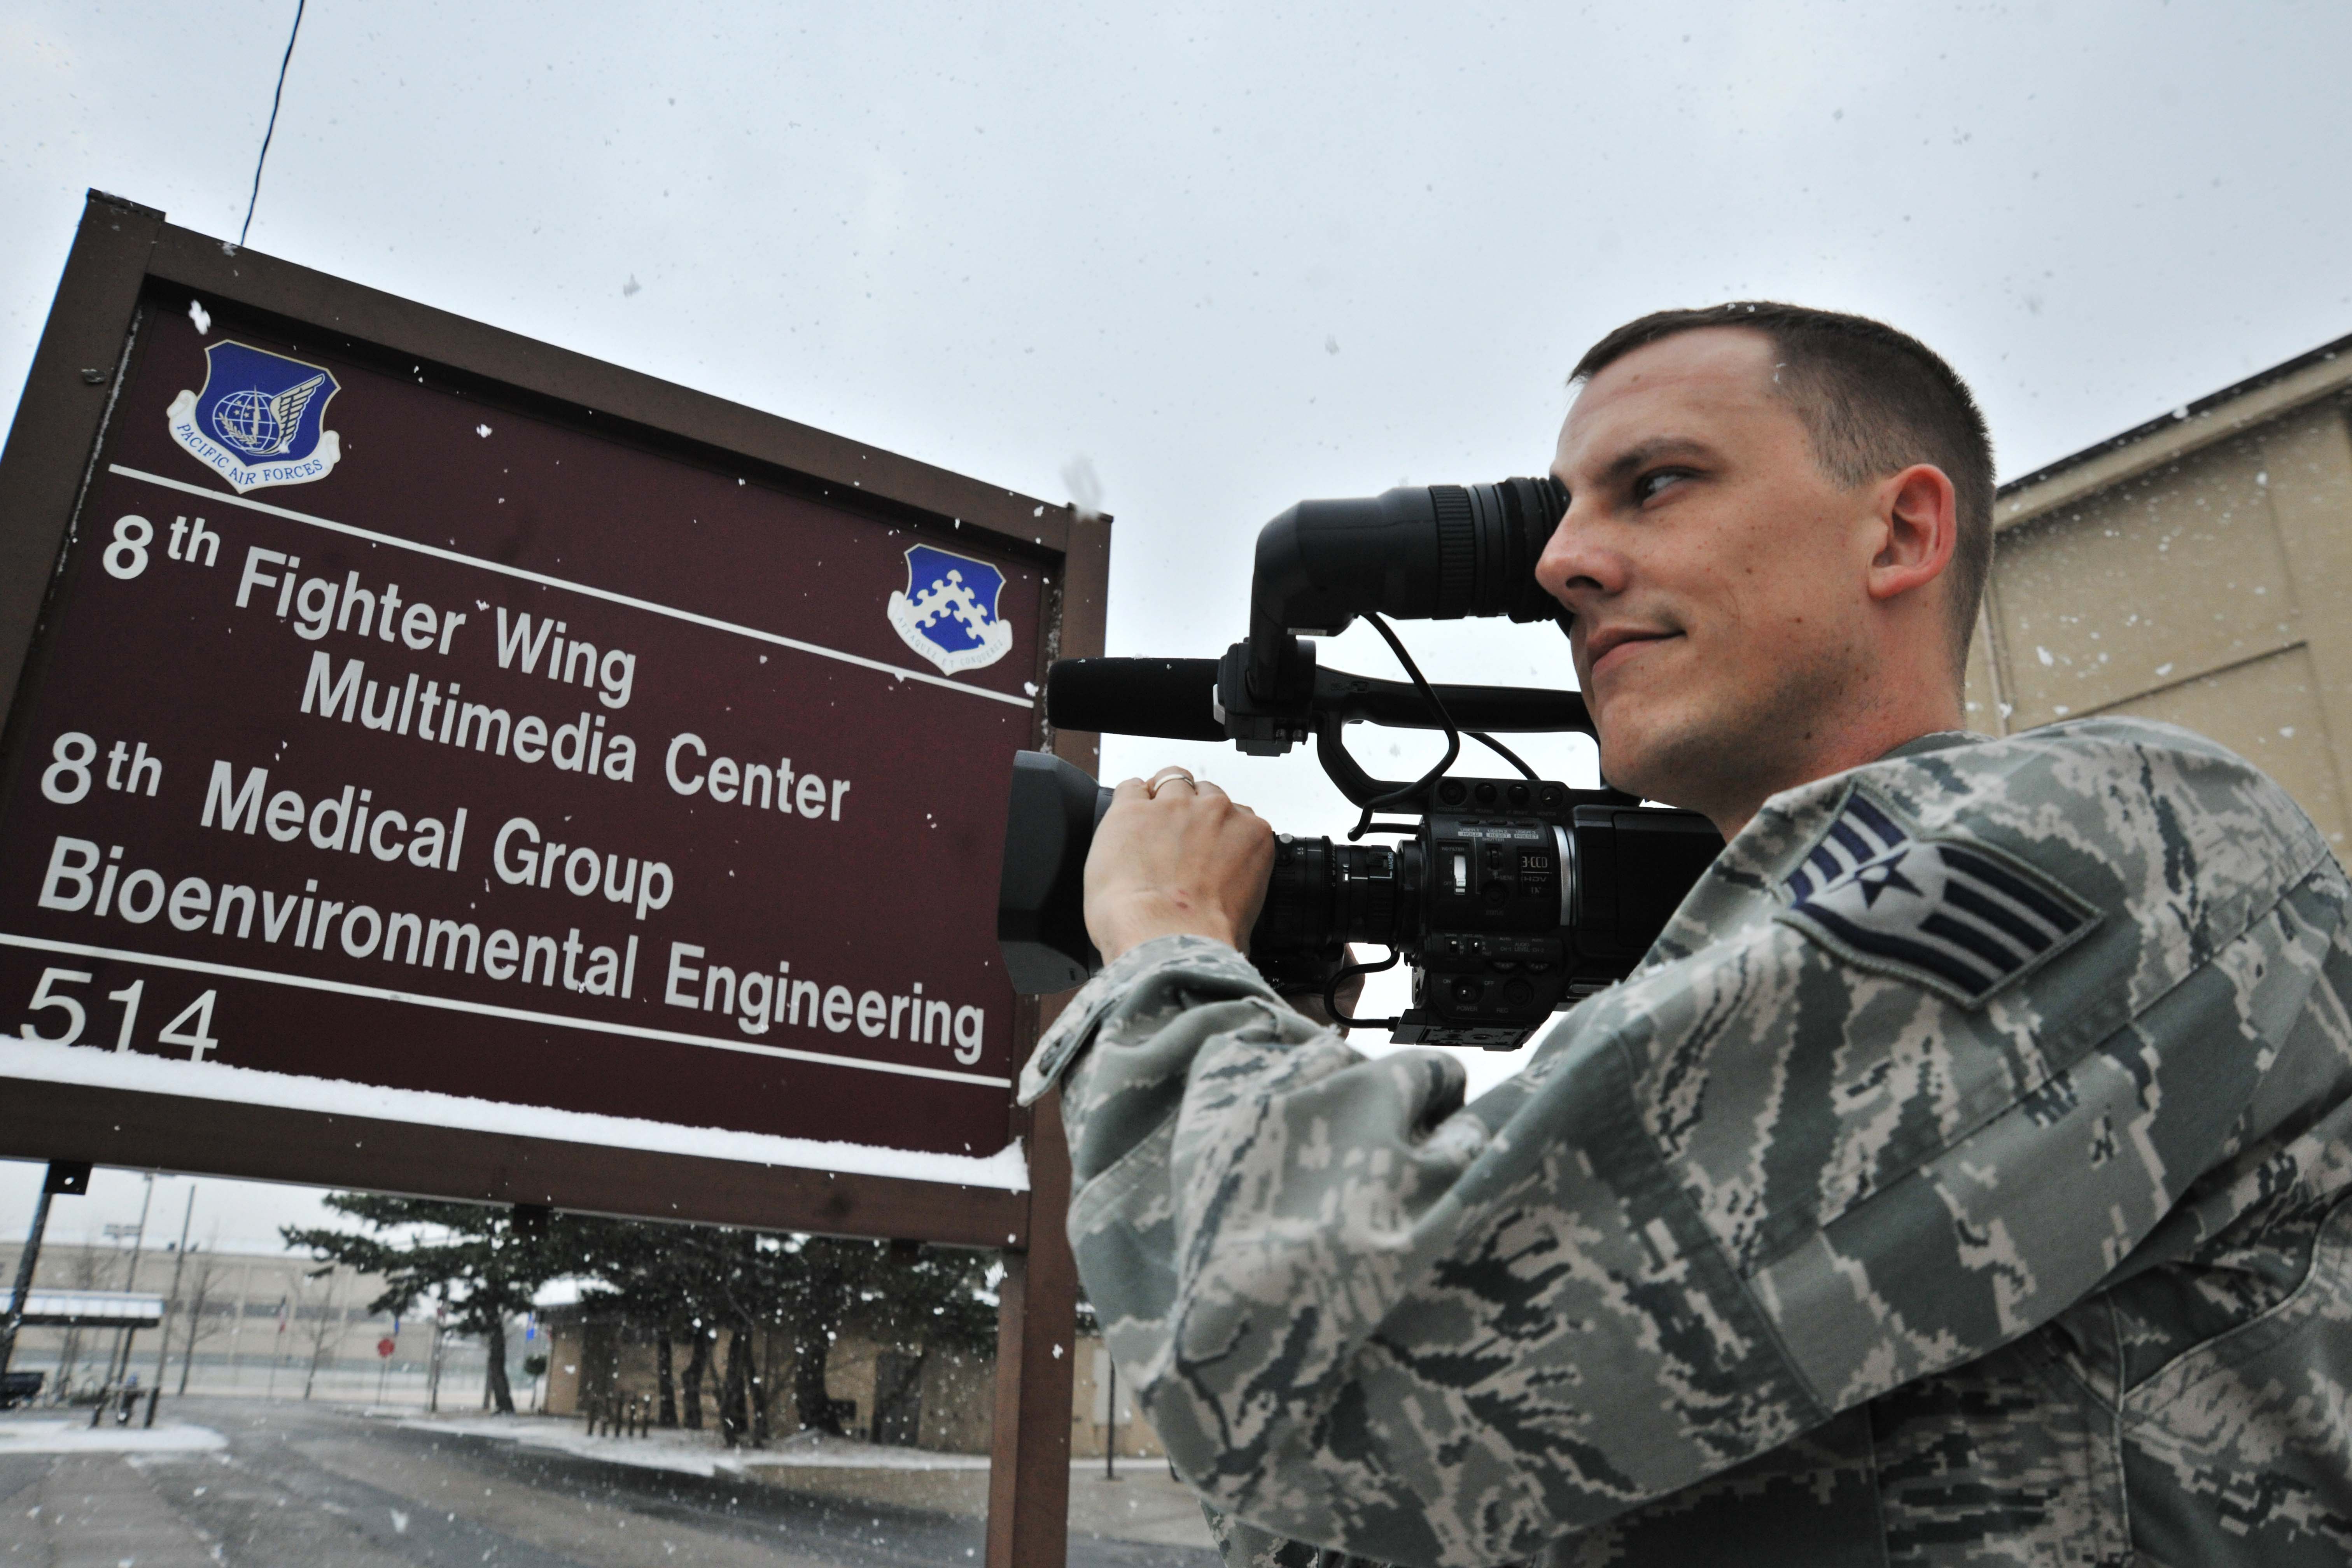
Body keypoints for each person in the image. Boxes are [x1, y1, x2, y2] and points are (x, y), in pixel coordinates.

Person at [1016, 302, 2352, 1567]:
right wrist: (1270, 1034)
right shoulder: (1743, 971)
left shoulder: (2128, 832)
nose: (1556, 564)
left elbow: (1333, 1364)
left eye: (1655, 485)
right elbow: (1352, 1511)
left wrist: (1164, 943)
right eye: (1562, 511)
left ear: (1899, 535)